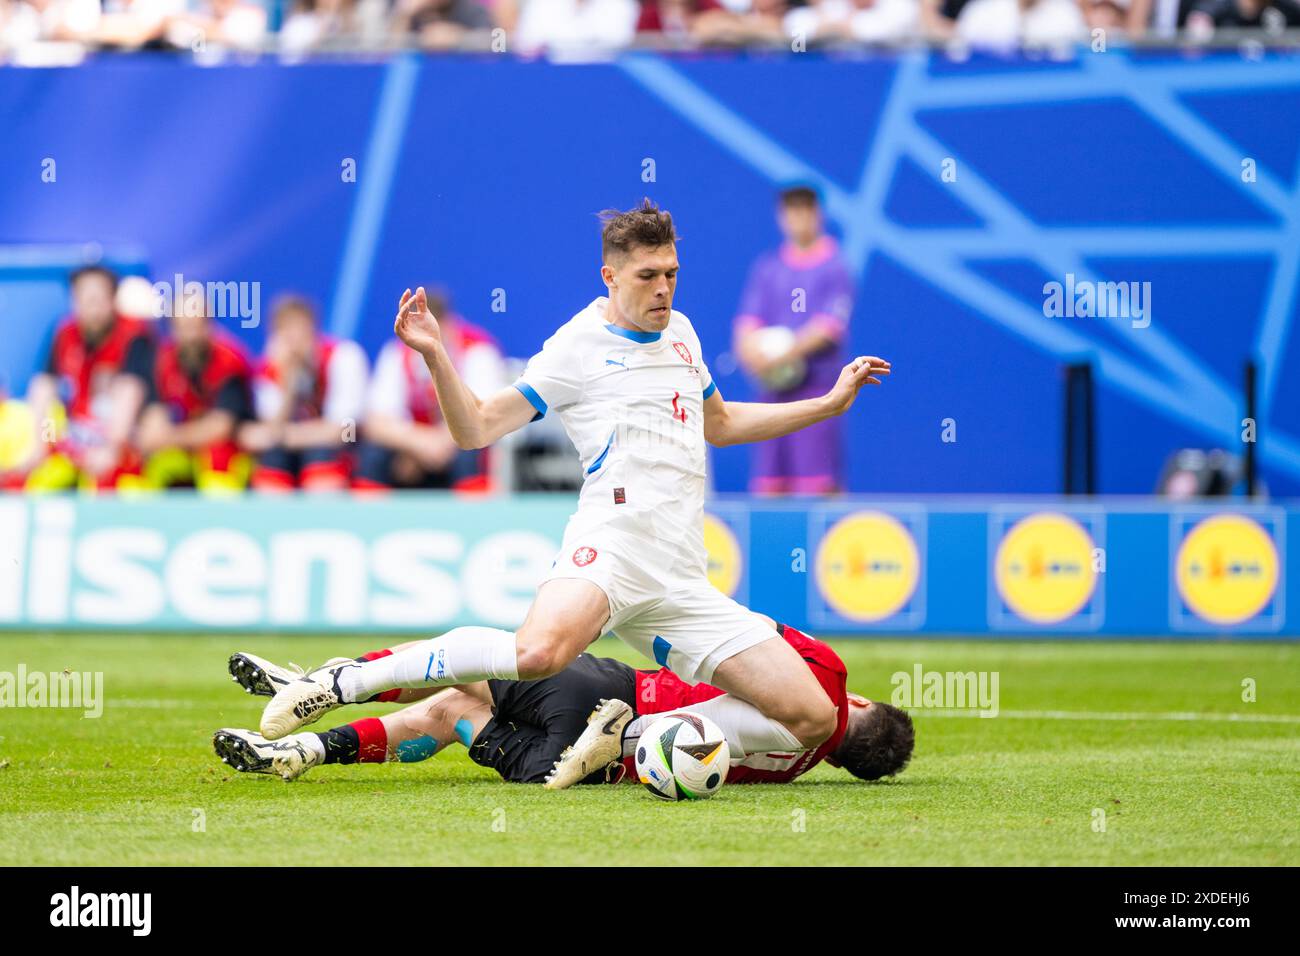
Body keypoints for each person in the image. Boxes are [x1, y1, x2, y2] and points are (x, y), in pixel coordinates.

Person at [256, 199, 891, 793]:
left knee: (812, 716)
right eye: (648, 276)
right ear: (610, 275)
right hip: (612, 545)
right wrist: (435, 358)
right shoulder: (576, 347)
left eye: (671, 273)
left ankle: (636, 739)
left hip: (681, 578)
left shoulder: (684, 334)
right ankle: (347, 679)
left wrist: (827, 403)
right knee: (537, 654)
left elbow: (719, 425)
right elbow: (474, 428)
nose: (663, 288)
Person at [213, 619, 915, 786]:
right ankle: (299, 750)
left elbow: (734, 634)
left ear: (857, 703)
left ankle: (326, 683)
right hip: (598, 767)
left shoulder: (825, 677)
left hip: (609, 692)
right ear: (843, 764)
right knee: (452, 714)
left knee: (472, 656)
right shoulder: (793, 768)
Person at [733, 185, 855, 495]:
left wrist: (787, 353)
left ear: (818, 214)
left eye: (805, 210)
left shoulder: (836, 266)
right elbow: (747, 323)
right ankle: (770, 545)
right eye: (791, 211)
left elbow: (829, 326)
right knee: (769, 487)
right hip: (771, 393)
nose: (798, 218)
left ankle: (828, 543)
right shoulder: (768, 268)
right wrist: (750, 354)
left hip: (816, 392)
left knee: (819, 486)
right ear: (781, 217)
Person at [353, 288, 504, 492]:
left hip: (460, 445)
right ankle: (367, 519)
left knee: (470, 453)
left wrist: (441, 444)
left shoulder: (478, 352)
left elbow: (483, 415)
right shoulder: (396, 353)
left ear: (449, 325)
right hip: (413, 452)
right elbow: (376, 423)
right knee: (373, 456)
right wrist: (419, 446)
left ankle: (474, 518)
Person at [20, 266, 155, 492]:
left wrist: (111, 448)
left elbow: (130, 392)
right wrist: (41, 443)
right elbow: (43, 388)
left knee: (110, 487)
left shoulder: (135, 336)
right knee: (37, 483)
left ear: (113, 300)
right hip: (75, 438)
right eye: (84, 298)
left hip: (121, 443)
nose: (92, 308)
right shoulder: (64, 333)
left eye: (98, 299)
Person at [240, 295, 368, 493]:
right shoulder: (268, 369)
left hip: (340, 454)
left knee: (320, 456)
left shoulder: (344, 357)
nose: (294, 341)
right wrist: (288, 385)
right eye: (285, 333)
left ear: (314, 330)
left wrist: (281, 436)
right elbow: (267, 430)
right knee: (272, 461)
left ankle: (323, 522)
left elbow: (345, 433)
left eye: (300, 331)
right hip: (291, 452)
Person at [131, 299, 254, 493]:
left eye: (198, 326)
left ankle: (218, 522)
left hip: (230, 451)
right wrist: (156, 434)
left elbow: (220, 428)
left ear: (210, 326)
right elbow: (154, 418)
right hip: (182, 447)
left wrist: (168, 437)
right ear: (172, 330)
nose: (192, 336)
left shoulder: (229, 361)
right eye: (184, 328)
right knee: (149, 464)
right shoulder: (162, 361)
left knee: (218, 459)